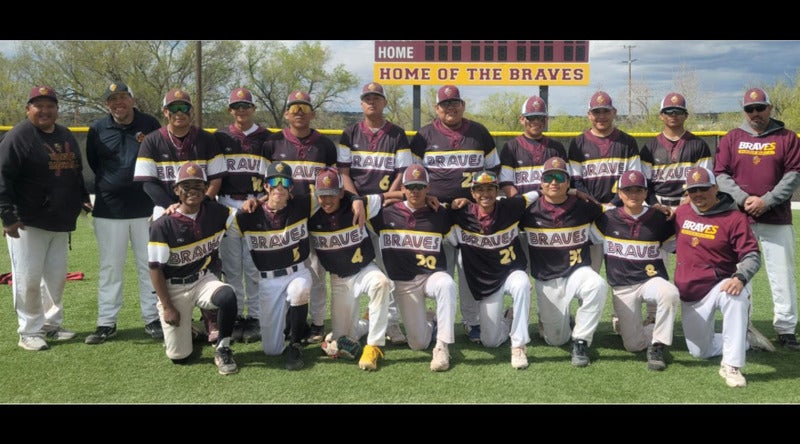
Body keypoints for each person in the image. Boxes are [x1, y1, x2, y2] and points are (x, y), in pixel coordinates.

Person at [233, 161, 365, 371]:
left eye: (285, 182)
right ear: (265, 186)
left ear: (291, 187)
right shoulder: (246, 216)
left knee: (300, 290)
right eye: (274, 182)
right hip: (268, 281)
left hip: (297, 272)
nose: (279, 187)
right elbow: (217, 224)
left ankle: (295, 343)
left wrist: (356, 198)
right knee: (271, 350)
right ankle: (289, 327)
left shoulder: (303, 204)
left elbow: (330, 191)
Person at [0, 85, 92, 351]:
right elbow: (2, 177)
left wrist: (82, 197)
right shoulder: (19, 136)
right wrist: (8, 216)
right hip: (27, 222)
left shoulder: (64, 134)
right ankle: (28, 330)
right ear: (28, 109)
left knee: (55, 277)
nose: (45, 110)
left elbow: (75, 169)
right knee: (28, 278)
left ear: (57, 109)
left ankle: (51, 325)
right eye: (38, 105)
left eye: (50, 105)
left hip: (60, 220)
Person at [134, 87, 227, 343]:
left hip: (202, 208)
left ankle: (211, 320)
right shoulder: (152, 140)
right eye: (173, 108)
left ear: (191, 111)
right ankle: (167, 310)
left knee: (209, 259)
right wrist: (171, 205)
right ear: (165, 112)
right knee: (163, 264)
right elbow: (147, 182)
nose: (179, 113)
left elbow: (217, 178)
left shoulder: (207, 139)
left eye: (184, 107)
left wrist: (204, 203)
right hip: (165, 207)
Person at [409, 84, 500, 344]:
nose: (451, 107)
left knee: (468, 267)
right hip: (436, 213)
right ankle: (441, 321)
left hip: (471, 212)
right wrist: (425, 196)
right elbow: (411, 176)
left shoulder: (479, 132)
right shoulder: (424, 135)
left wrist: (475, 196)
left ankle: (473, 322)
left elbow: (494, 171)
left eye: (455, 103)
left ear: (463, 105)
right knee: (442, 271)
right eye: (445, 104)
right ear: (437, 108)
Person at [714, 87, 800, 351]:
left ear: (770, 108)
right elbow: (720, 174)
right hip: (739, 218)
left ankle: (786, 330)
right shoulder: (732, 137)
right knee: (740, 273)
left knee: (782, 273)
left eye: (760, 108)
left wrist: (768, 200)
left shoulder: (787, 137)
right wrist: (743, 198)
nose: (755, 113)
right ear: (744, 111)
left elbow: (794, 174)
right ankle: (744, 326)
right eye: (750, 109)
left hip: (776, 216)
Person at [84, 80, 163, 345]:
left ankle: (153, 318)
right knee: (110, 267)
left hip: (146, 207)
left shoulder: (150, 124)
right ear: (107, 104)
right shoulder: (97, 128)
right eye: (112, 99)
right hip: (110, 209)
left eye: (122, 97)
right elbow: (96, 164)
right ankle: (106, 322)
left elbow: (159, 161)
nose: (118, 103)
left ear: (132, 99)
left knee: (149, 264)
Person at [337, 81, 414, 345]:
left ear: (384, 102)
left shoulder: (397, 134)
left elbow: (402, 172)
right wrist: (357, 199)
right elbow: (344, 172)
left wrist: (387, 200)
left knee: (387, 266)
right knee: (353, 266)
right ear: (361, 103)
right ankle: (355, 320)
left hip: (386, 208)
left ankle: (391, 322)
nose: (372, 102)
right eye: (367, 98)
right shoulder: (349, 133)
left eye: (377, 98)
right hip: (355, 207)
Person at [672, 166, 762, 387]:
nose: (698, 195)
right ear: (687, 193)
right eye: (693, 191)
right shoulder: (682, 213)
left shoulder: (734, 218)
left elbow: (752, 255)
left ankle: (732, 366)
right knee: (699, 352)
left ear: (715, 188)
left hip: (719, 283)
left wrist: (740, 277)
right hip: (690, 292)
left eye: (704, 188)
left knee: (735, 295)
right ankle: (744, 338)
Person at [147, 162, 239, 375]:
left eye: (198, 186)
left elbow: (245, 216)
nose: (193, 191)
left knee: (227, 295)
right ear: (177, 190)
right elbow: (155, 269)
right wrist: (167, 306)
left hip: (202, 280)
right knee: (179, 357)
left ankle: (223, 347)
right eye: (186, 186)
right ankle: (190, 332)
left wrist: (262, 201)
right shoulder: (162, 225)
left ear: (205, 189)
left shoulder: (216, 212)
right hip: (174, 288)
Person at [263, 90, 338, 344]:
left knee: (316, 273)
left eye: (304, 109)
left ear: (312, 114)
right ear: (286, 114)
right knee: (285, 271)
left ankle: (317, 323)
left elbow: (333, 181)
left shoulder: (325, 145)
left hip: (317, 216)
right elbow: (264, 182)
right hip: (285, 217)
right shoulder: (273, 143)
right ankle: (288, 320)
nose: (299, 113)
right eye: (294, 109)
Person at [520, 157, 608, 367]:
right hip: (547, 277)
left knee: (597, 285)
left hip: (577, 271)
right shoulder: (528, 210)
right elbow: (496, 209)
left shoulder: (583, 206)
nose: (554, 182)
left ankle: (581, 341)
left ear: (568, 183)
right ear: (541, 182)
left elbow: (613, 215)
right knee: (556, 340)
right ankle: (555, 321)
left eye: (560, 177)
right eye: (549, 177)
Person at [310, 166, 400, 371]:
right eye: (322, 195)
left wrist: (357, 198)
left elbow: (385, 196)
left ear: (341, 192)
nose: (327, 200)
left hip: (363, 269)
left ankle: (374, 346)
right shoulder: (311, 214)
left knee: (381, 283)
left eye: (332, 194)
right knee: (342, 339)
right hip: (339, 280)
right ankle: (367, 321)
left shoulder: (357, 205)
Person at [568, 90, 643, 333]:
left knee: (621, 270)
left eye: (605, 111)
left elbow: (632, 180)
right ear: (589, 115)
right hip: (589, 216)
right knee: (588, 271)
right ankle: (584, 319)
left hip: (619, 214)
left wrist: (613, 204)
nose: (601, 116)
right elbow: (576, 181)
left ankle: (621, 317)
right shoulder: (578, 143)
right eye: (596, 112)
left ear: (614, 113)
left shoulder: (627, 142)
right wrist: (597, 206)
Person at [449, 170, 540, 369]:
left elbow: (535, 194)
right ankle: (508, 319)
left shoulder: (511, 206)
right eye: (479, 190)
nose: (485, 194)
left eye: (490, 189)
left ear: (497, 190)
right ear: (472, 194)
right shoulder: (460, 214)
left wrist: (574, 193)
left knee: (523, 283)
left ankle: (519, 345)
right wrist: (451, 204)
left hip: (510, 272)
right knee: (490, 340)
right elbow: (436, 209)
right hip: (486, 281)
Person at [589, 170, 679, 371]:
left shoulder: (658, 218)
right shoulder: (607, 219)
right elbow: (586, 239)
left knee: (670, 293)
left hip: (651, 280)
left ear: (646, 193)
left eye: (638, 190)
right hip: (623, 287)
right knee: (633, 345)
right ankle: (649, 329)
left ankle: (657, 345)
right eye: (627, 190)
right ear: (619, 193)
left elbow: (675, 247)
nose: (633, 195)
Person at [372, 164, 457, 371]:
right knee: (418, 344)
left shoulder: (439, 212)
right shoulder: (384, 214)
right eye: (410, 186)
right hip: (404, 282)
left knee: (447, 284)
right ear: (403, 188)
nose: (415, 191)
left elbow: (457, 238)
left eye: (420, 186)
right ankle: (430, 320)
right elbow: (356, 203)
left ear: (428, 188)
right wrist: (392, 195)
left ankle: (442, 346)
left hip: (431, 276)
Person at [214, 87, 272, 344]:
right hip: (227, 204)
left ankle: (257, 317)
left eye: (245, 105)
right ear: (230, 110)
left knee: (253, 266)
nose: (241, 110)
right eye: (236, 106)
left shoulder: (267, 138)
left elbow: (273, 179)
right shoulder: (220, 137)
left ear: (253, 108)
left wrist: (261, 200)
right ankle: (235, 316)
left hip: (256, 204)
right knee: (231, 267)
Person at [639, 92, 713, 210]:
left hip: (690, 204)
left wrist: (683, 207)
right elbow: (644, 184)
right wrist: (656, 206)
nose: (673, 115)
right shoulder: (649, 147)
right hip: (657, 205)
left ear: (686, 115)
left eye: (678, 111)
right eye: (668, 111)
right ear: (661, 115)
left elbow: (705, 182)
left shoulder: (699, 145)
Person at [499, 95, 568, 198]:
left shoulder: (556, 148)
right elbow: (506, 184)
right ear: (522, 119)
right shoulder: (510, 147)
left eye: (540, 118)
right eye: (531, 117)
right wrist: (521, 203)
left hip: (550, 208)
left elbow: (565, 182)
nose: (536, 121)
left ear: (546, 120)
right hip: (521, 208)